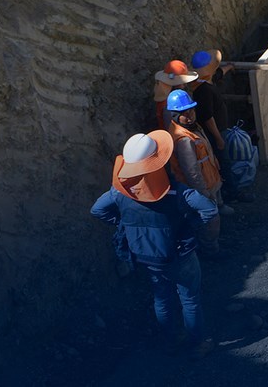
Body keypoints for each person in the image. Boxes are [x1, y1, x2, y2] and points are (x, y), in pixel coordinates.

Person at [90, 130, 218, 358]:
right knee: (189, 300)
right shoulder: (179, 192)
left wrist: (124, 223)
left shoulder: (120, 193)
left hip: (147, 257)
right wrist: (192, 224)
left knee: (163, 299)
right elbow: (209, 209)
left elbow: (97, 210)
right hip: (181, 254)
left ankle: (170, 341)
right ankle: (198, 343)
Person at [166, 89, 233, 254]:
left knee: (214, 211)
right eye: (184, 113)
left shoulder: (192, 127)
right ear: (175, 115)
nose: (190, 115)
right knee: (209, 219)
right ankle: (210, 248)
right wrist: (203, 193)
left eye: (191, 110)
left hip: (210, 178)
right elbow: (192, 172)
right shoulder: (183, 139)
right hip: (201, 185)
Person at [190, 49, 251, 204]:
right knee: (223, 162)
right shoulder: (203, 91)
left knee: (224, 160)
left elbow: (219, 74)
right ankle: (231, 192)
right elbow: (208, 117)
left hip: (219, 131)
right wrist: (218, 138)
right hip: (214, 133)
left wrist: (229, 67)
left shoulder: (206, 81)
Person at [153, 60, 199, 130]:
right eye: (182, 82)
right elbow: (170, 126)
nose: (185, 84)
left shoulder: (164, 96)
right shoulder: (167, 105)